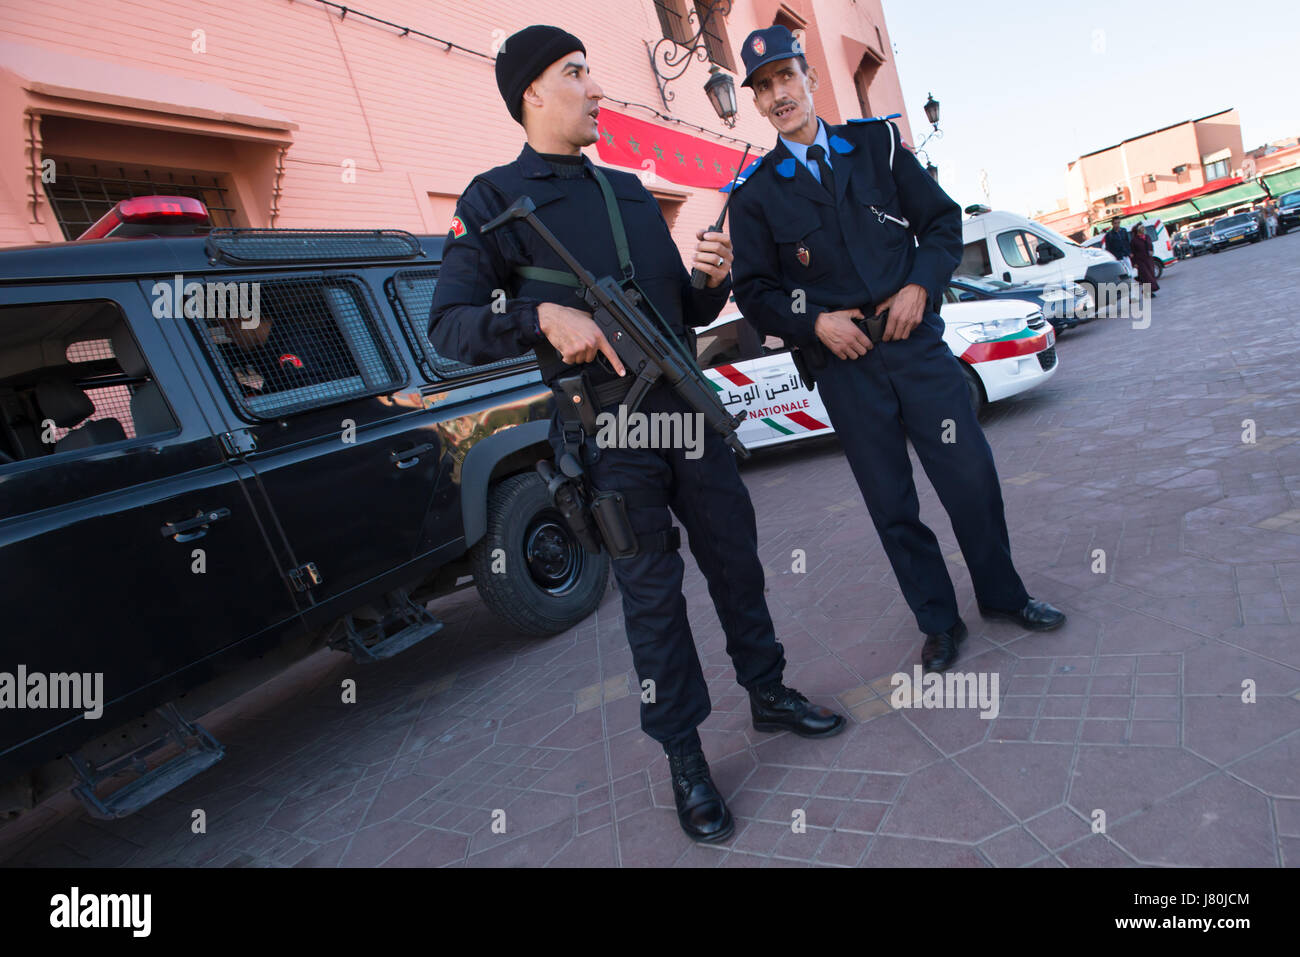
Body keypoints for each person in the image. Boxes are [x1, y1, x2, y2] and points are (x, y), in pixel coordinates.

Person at [427, 25, 845, 844]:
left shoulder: (625, 191)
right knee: (653, 602)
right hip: (609, 432)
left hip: (684, 414)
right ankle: (685, 756)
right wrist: (539, 315)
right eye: (577, 73)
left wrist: (706, 282)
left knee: (737, 561)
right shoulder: (490, 201)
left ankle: (767, 691)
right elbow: (448, 326)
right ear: (532, 93)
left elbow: (677, 316)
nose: (596, 87)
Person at [728, 24, 1065, 675]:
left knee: (970, 476)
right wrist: (816, 320)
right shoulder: (755, 197)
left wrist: (920, 284)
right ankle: (938, 622)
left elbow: (941, 222)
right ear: (758, 101)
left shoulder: (876, 145)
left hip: (916, 348)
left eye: (786, 78)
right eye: (764, 88)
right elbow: (755, 292)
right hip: (847, 369)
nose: (778, 96)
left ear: (811, 79)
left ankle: (1003, 594)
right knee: (892, 505)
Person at [1129, 224, 1160, 297]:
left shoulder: (1147, 237)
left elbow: (1151, 246)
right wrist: (1134, 263)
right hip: (1140, 261)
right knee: (1146, 277)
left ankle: (1149, 291)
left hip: (1149, 260)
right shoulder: (1134, 241)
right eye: (1142, 228)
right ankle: (1148, 292)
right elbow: (1132, 253)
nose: (1144, 229)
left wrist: (1151, 251)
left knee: (1151, 275)